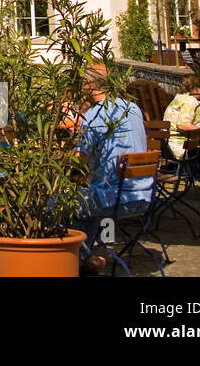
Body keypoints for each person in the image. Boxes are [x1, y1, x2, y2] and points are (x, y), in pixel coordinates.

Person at [74, 65, 153, 273]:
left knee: (58, 206)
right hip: (144, 194)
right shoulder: (133, 109)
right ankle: (88, 257)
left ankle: (85, 258)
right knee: (87, 204)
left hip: (115, 197)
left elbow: (81, 161)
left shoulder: (95, 115)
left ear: (89, 85)